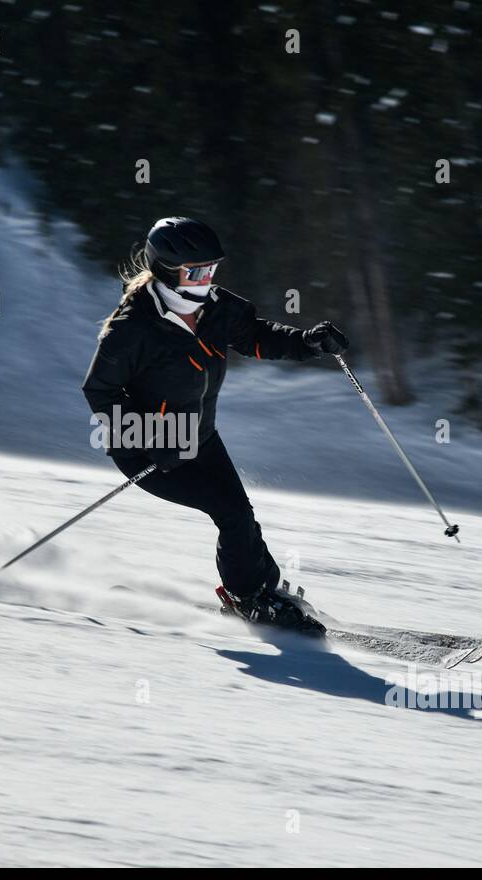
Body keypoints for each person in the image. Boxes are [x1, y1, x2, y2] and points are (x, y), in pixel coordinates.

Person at [82, 216, 349, 633]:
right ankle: (247, 600)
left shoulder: (214, 308)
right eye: (196, 271)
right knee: (230, 512)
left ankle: (264, 589)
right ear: (169, 270)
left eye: (211, 269)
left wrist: (305, 342)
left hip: (200, 436)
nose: (207, 279)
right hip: (148, 451)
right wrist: (154, 438)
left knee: (241, 513)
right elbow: (101, 392)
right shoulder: (130, 329)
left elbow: (255, 335)